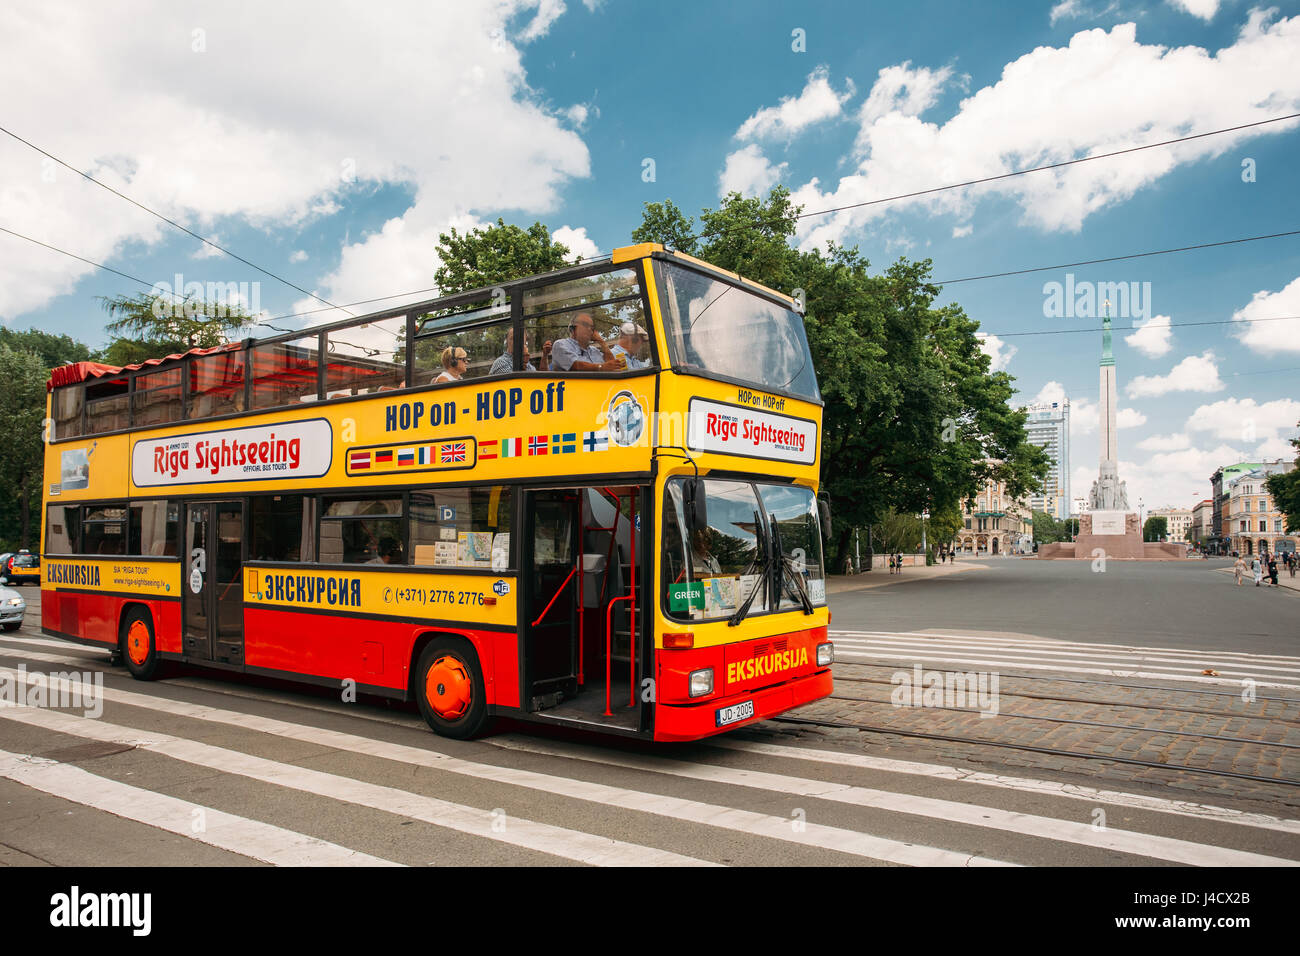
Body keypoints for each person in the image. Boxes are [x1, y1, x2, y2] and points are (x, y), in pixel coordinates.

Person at [551, 311, 621, 371]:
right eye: (585, 324)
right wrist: (601, 367)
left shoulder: (594, 350)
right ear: (573, 328)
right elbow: (575, 365)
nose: (589, 329)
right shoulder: (561, 345)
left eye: (592, 327)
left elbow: (612, 365)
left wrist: (602, 342)